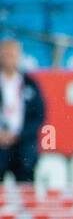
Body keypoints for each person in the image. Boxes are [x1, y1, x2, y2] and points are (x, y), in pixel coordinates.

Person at [0, 38, 44, 183]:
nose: (9, 59)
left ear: (19, 56)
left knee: (25, 186)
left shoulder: (30, 83)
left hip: (24, 145)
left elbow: (38, 115)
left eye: (12, 55)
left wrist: (19, 134)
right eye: (5, 55)